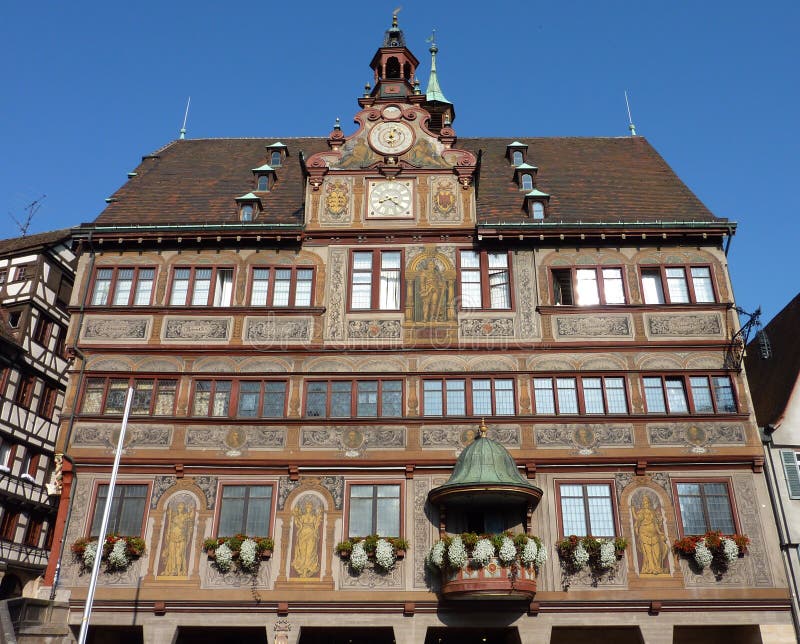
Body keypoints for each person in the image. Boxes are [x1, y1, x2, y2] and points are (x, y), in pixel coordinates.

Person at [633, 495, 669, 575]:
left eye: (647, 502)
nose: (646, 503)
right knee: (648, 552)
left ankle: (658, 568)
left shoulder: (652, 511)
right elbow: (636, 519)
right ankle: (650, 568)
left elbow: (655, 523)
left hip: (654, 534)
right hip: (644, 533)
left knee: (657, 551)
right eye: (644, 502)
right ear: (642, 504)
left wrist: (659, 532)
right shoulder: (641, 512)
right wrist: (632, 509)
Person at [162, 501, 194, 576]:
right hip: (173, 537)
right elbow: (170, 527)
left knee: (179, 554)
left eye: (182, 508)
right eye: (179, 507)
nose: (180, 509)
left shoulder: (186, 517)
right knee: (172, 554)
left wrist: (191, 510)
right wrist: (168, 533)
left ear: (184, 509)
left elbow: (188, 525)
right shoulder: (174, 517)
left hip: (181, 537)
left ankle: (179, 570)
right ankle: (173, 570)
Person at [292, 500, 323, 578]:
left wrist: (319, 515)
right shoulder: (302, 517)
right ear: (305, 508)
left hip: (311, 535)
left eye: (310, 507)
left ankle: (306, 570)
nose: (308, 508)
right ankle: (302, 570)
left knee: (310, 552)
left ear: (312, 508)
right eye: (307, 507)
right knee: (302, 552)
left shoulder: (314, 517)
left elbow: (316, 526)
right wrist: (296, 515)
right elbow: (299, 524)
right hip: (303, 534)